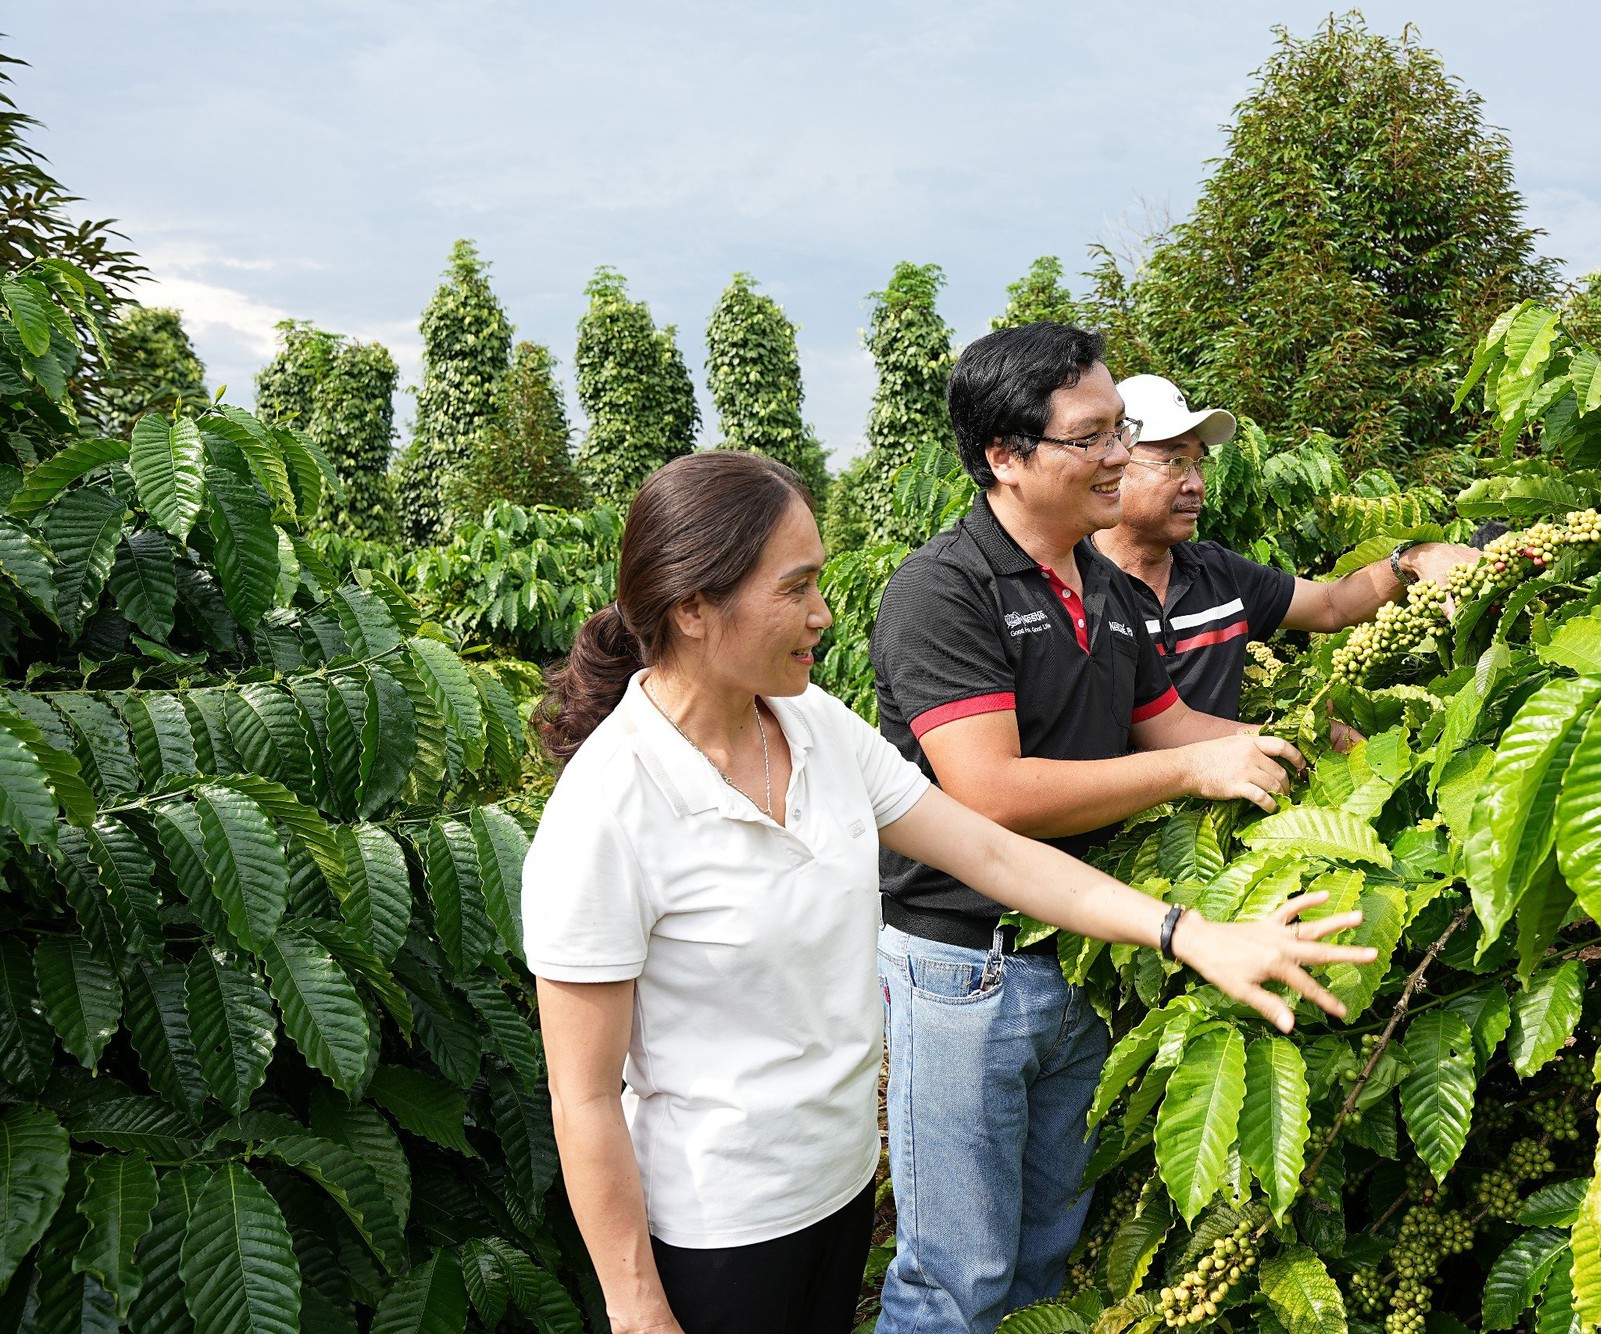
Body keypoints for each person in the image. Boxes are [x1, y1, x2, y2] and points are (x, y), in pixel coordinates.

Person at [523, 451, 1381, 1334]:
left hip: (841, 1192)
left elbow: (992, 855)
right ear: (695, 607)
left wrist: (1188, 932)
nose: (823, 615)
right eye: (796, 589)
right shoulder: (609, 808)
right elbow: (582, 1097)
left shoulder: (814, 727)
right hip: (714, 1233)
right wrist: (635, 1308)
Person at [869, 325, 1339, 1334]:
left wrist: (1316, 746)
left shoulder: (1113, 590)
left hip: (1087, 944)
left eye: (1119, 430)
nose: (1120, 457)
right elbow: (984, 791)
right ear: (1006, 455)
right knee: (956, 1274)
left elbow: (1174, 724)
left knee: (1045, 1253)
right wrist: (1184, 768)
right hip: (965, 967)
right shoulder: (942, 592)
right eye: (1092, 437)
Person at [1093, 374, 1485, 721]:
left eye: (1198, 463)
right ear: (1116, 465)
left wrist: (1416, 558)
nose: (1195, 483)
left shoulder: (1218, 574)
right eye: (1175, 461)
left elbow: (1334, 604)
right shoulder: (1071, 587)